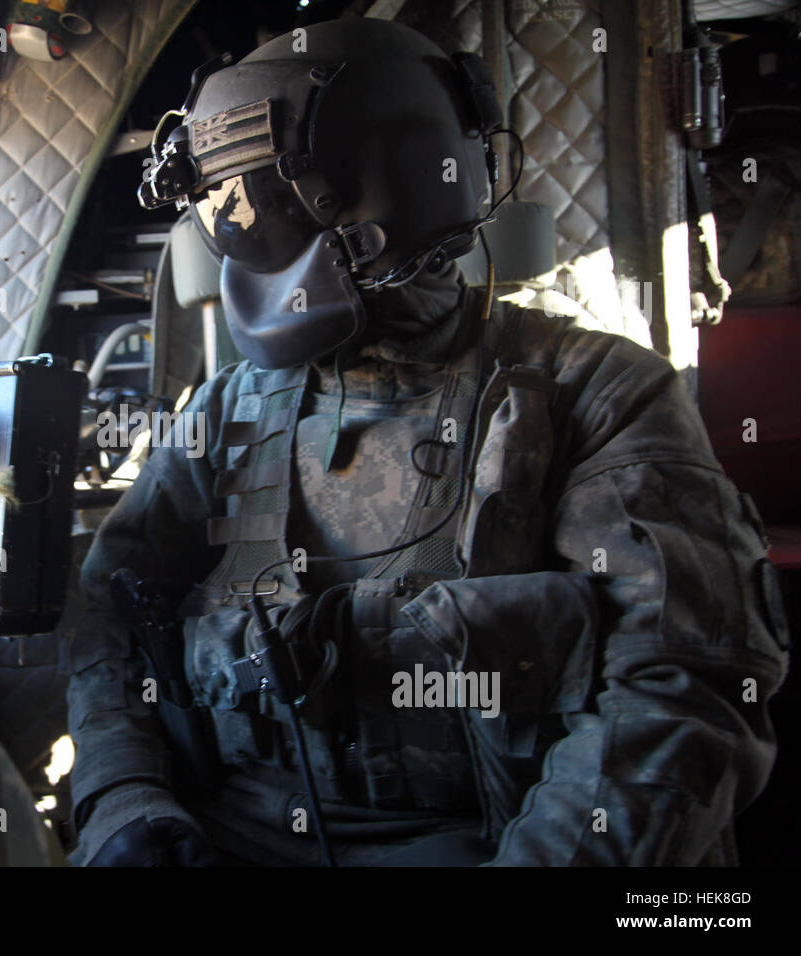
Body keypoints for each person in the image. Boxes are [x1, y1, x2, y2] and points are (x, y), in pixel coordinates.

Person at [66, 17, 790, 866]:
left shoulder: (600, 392)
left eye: (263, 200)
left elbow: (678, 690)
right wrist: (125, 800)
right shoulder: (224, 409)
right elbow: (108, 612)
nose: (241, 227)